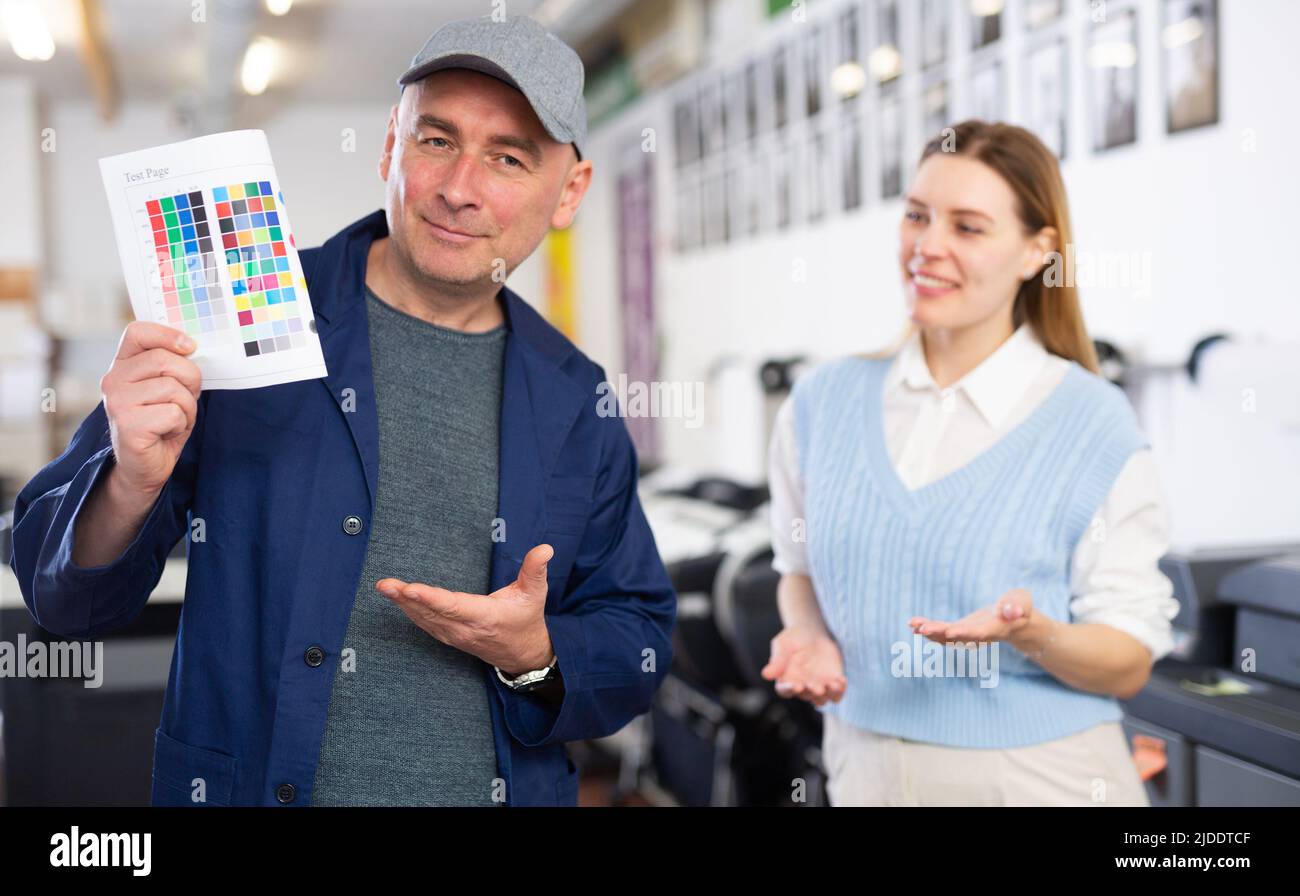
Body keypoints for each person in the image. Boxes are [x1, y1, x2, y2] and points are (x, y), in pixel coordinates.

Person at [9, 13, 675, 807]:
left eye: (508, 157)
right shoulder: (239, 315)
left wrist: (537, 651)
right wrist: (127, 480)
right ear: (391, 146)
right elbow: (60, 598)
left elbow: (637, 636)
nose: (460, 189)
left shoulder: (576, 398)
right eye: (436, 140)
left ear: (569, 191)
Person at [762, 120, 1178, 806]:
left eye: (968, 227)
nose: (928, 247)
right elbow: (797, 568)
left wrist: (1030, 633)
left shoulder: (1092, 422)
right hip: (863, 772)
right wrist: (807, 634)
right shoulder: (821, 403)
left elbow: (1128, 661)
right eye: (917, 216)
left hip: (1043, 782)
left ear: (1035, 251)